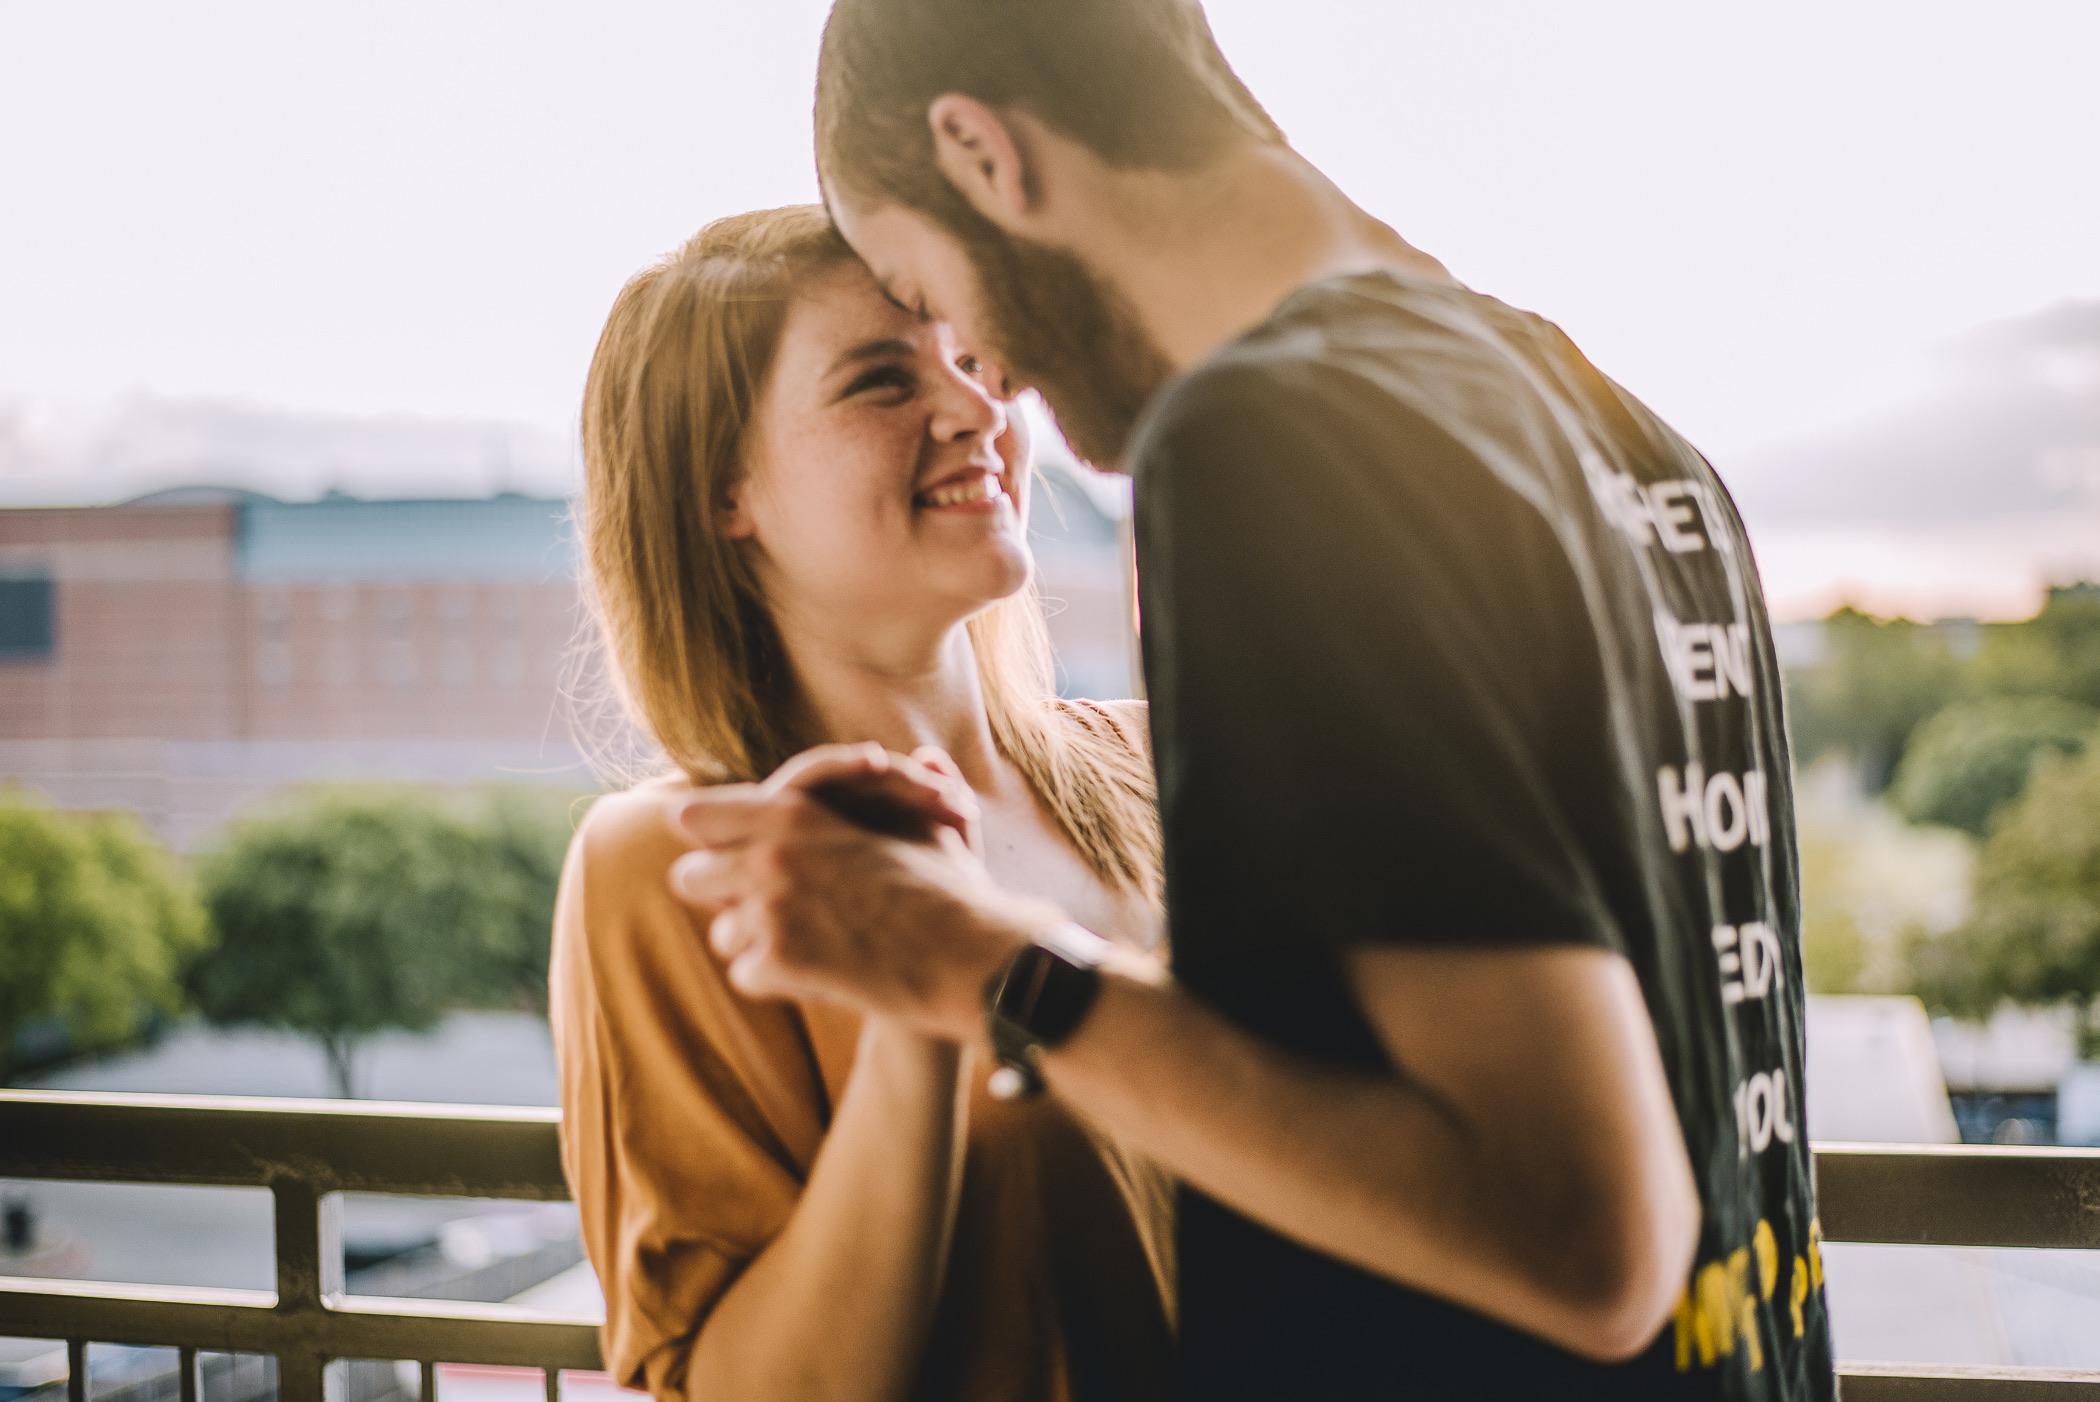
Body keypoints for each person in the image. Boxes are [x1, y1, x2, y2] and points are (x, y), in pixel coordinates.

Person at [665, 2, 1838, 1399]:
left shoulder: (1272, 439)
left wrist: (982, 962)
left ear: (982, 153)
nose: (982, 374)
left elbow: (1581, 1233)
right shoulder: (1618, 427)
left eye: (929, 293)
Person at [548, 204, 1175, 1402]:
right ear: (723, 490)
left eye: (972, 356)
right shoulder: (676, 863)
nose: (981, 410)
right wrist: (923, 1002)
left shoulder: (1158, 765)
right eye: (881, 381)